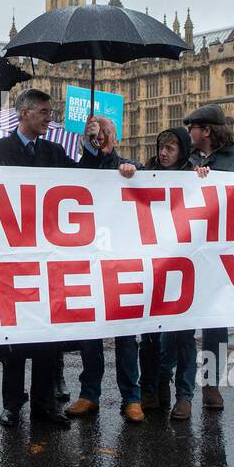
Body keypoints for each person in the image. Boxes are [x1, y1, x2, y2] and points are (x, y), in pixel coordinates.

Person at [0, 88, 79, 429]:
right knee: (14, 340)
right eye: (45, 112)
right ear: (24, 113)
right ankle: (12, 404)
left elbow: (87, 185)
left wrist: (100, 151)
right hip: (12, 257)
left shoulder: (55, 151)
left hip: (48, 258)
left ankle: (45, 406)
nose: (50, 118)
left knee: (48, 338)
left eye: (51, 113)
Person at [65, 116, 142, 422]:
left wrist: (127, 171)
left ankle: (131, 397)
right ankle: (88, 394)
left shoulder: (127, 166)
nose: (100, 139)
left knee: (126, 335)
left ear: (115, 137)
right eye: (95, 135)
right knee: (90, 333)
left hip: (122, 260)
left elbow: (149, 190)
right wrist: (90, 146)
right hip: (89, 258)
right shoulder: (83, 166)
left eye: (105, 134)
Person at [185, 104, 234, 410]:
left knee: (215, 323)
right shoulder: (185, 160)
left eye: (193, 128)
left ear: (207, 131)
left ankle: (211, 383)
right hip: (186, 251)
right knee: (179, 323)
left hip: (220, 253)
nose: (188, 133)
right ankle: (181, 388)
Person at [137, 127, 198, 421]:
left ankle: (184, 396)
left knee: (184, 335)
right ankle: (153, 387)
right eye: (161, 146)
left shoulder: (197, 175)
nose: (163, 152)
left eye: (171, 147)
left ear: (183, 151)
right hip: (154, 267)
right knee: (150, 334)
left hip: (186, 266)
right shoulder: (145, 172)